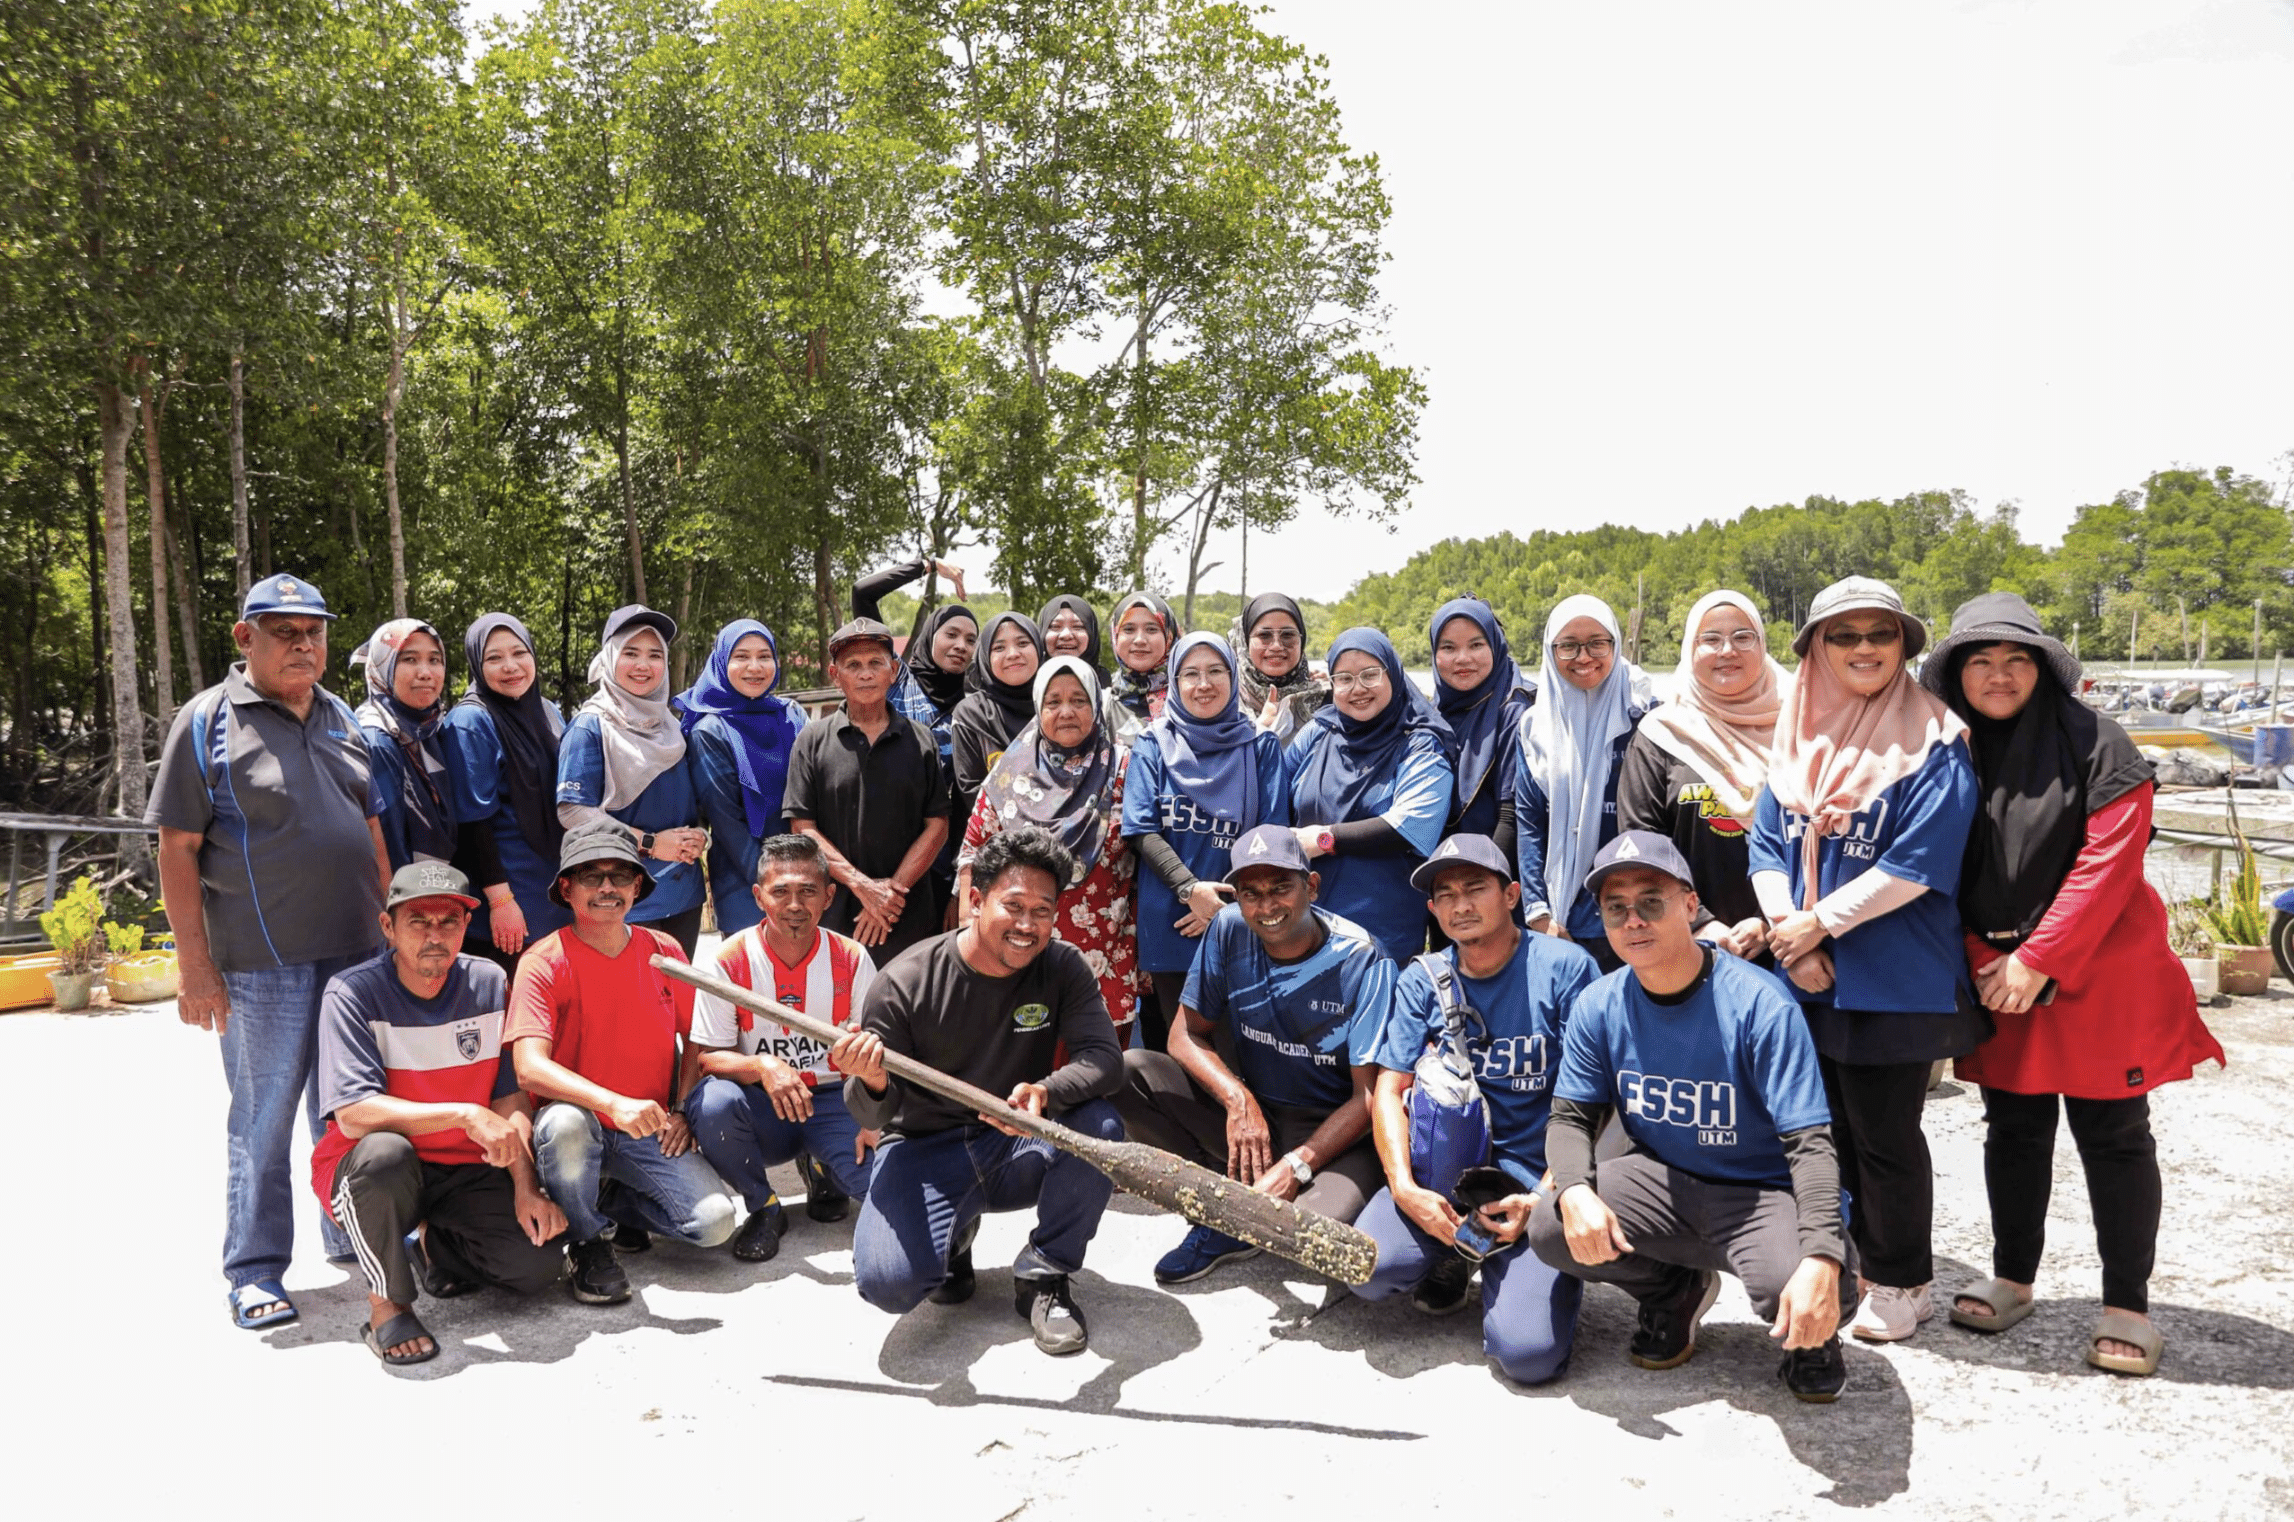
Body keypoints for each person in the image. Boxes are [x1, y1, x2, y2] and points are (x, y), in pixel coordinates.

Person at [1921, 592, 2225, 1376]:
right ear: (1957, 673)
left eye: (2015, 659)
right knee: (2013, 1130)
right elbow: (1926, 864)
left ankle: (2127, 1303)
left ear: (2041, 668)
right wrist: (1982, 957)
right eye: (1979, 661)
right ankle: (2014, 1277)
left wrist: (2038, 958)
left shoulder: (2100, 741)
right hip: (1994, 974)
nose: (1997, 675)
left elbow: (2110, 862)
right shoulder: (1941, 747)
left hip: (2098, 974)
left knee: (2115, 1137)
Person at [1529, 830, 1858, 1402]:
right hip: (1665, 1181)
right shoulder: (1599, 1004)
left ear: (1689, 905)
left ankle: (1812, 1336)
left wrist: (1823, 1256)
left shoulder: (1759, 1004)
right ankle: (1672, 1293)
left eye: (1651, 902)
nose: (1633, 920)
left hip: (1761, 1193)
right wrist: (1575, 1192)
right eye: (1616, 908)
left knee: (1805, 1277)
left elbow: (1811, 1144)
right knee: (1553, 1224)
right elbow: (1569, 1119)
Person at [149, 572, 389, 1330]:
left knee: (345, 1109)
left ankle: (346, 1229)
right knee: (262, 1117)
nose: (302, 644)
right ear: (243, 638)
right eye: (283, 631)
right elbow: (177, 848)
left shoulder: (343, 715)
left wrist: (387, 926)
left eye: (313, 631)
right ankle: (254, 1269)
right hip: (262, 965)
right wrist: (195, 967)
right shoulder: (206, 721)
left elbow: (370, 828)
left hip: (354, 958)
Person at [1748, 576, 1985, 1344]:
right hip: (1808, 971)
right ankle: (1843, 1262)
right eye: (1842, 636)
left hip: (1894, 978)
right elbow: (1764, 845)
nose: (1861, 649)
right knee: (1828, 1132)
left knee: (1886, 1136)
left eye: (1878, 635)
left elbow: (1919, 864)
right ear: (1815, 649)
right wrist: (1789, 932)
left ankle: (1903, 1282)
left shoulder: (1935, 740)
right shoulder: (1796, 738)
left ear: (1903, 649)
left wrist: (1814, 927)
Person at [846, 826, 1127, 1356]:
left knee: (1101, 1128)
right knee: (890, 1284)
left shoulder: (1062, 967)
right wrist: (872, 1079)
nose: (1027, 925)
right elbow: (869, 1110)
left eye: (1042, 911)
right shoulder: (903, 982)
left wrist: (1045, 1090)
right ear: (975, 900)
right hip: (926, 1147)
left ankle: (1046, 1274)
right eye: (1013, 905)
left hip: (1018, 1145)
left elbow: (1104, 1060)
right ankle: (952, 1242)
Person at [1352, 834, 1596, 1382]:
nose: (1461, 905)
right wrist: (1404, 1189)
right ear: (1432, 909)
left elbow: (1594, 1100)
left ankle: (1528, 1269)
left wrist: (1545, 1198)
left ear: (1511, 895)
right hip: (1446, 1176)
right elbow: (1390, 1089)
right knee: (1368, 1268)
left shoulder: (1566, 969)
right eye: (1446, 894)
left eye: (1476, 888)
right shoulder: (1424, 977)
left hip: (1534, 1183)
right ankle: (1453, 1258)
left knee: (1527, 1358)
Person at [312, 862, 567, 1366]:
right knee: (385, 1154)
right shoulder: (351, 992)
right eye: (418, 921)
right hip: (372, 1172)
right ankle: (387, 1306)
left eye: (448, 921)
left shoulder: (490, 981)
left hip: (463, 1168)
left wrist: (524, 1186)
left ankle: (434, 1247)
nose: (435, 935)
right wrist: (463, 1116)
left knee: (536, 1268)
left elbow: (509, 1099)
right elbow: (355, 1115)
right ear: (388, 927)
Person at [1119, 824, 1391, 1283]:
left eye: (1281, 888)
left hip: (1328, 1126)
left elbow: (1368, 1097)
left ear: (1312, 886)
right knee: (1129, 1072)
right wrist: (1237, 1100)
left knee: (1317, 1235)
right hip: (1256, 1110)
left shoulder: (1362, 958)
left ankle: (1250, 1208)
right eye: (1251, 893)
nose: (1266, 907)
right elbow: (1184, 1034)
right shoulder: (1228, 928)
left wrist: (1298, 1164)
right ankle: (1222, 1209)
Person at [508, 821, 738, 1305]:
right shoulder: (543, 960)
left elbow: (697, 1038)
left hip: (648, 1125)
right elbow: (528, 1066)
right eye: (591, 876)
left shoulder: (665, 952)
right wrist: (613, 1103)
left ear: (638, 887)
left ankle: (606, 1205)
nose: (607, 888)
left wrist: (681, 1108)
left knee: (714, 1223)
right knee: (568, 1124)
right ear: (566, 888)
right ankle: (587, 1242)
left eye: (621, 876)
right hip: (575, 1123)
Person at [686, 833, 881, 1262]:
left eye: (808, 891)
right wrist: (761, 1065)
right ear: (758, 897)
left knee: (883, 1189)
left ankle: (821, 1163)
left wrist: (875, 1117)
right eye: (781, 892)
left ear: (829, 897)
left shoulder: (852, 957)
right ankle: (764, 1206)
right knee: (713, 1103)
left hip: (834, 1100)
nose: (795, 904)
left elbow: (874, 1054)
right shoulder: (730, 958)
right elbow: (708, 1059)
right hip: (765, 1105)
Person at [1121, 633, 1291, 1049]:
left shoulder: (1260, 745)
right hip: (1172, 923)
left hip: (1244, 921)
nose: (1203, 684)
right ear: (1174, 683)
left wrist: (1226, 905)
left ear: (1233, 677)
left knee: (1240, 1054)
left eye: (1216, 671)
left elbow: (1270, 835)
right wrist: (1191, 890)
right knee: (1173, 1058)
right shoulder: (1152, 744)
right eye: (1190, 673)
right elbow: (1141, 829)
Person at [956, 656, 1142, 1036]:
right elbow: (973, 852)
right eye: (1053, 702)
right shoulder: (1009, 772)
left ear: (1096, 705)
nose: (1066, 712)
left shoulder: (1125, 767)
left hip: (1107, 951)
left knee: (1097, 1074)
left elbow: (1149, 847)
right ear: (1038, 708)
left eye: (1079, 700)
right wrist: (967, 931)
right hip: (1018, 950)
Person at [1619, 590, 1787, 960]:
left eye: (1743, 637)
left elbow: (1819, 835)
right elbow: (1642, 839)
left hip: (1789, 943)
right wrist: (1700, 922)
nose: (1727, 651)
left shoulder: (1801, 725)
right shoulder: (1661, 733)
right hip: (1685, 941)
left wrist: (1770, 920)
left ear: (1762, 644)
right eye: (1710, 639)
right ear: (1690, 649)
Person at [783, 618, 952, 960]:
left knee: (909, 1008)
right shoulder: (812, 740)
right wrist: (863, 886)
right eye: (853, 665)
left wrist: (890, 894)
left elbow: (938, 825)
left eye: (876, 663)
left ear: (893, 670)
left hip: (909, 912)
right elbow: (803, 827)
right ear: (835, 675)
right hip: (836, 911)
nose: (865, 674)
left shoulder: (921, 740)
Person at [1286, 627, 1457, 965]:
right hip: (1305, 922)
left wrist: (1323, 839)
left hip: (1380, 932)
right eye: (1344, 678)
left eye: (1369, 675)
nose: (1357, 689)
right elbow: (1273, 795)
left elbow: (1409, 828)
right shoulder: (1319, 733)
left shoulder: (1420, 743)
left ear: (1392, 674)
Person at [556, 605, 709, 958]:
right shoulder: (589, 727)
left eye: (655, 655)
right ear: (609, 658)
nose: (644, 665)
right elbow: (575, 814)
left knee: (677, 1004)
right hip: (625, 897)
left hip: (683, 893)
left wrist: (698, 834)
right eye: (631, 653)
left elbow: (690, 801)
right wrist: (652, 843)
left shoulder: (671, 726)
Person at [1514, 595, 1650, 972]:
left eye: (1597, 643)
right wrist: (1539, 914)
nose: (1584, 656)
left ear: (1616, 645)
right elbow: (1530, 826)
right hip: (1562, 922)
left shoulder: (1645, 717)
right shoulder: (1533, 729)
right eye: (1568, 646)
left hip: (1638, 919)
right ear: (1550, 650)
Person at [441, 614, 568, 978]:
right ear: (477, 666)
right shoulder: (470, 721)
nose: (510, 667)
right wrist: (501, 901)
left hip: (550, 890)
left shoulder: (545, 712)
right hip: (508, 902)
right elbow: (473, 820)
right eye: (494, 658)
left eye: (519, 653)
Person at [678, 619, 808, 935]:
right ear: (723, 662)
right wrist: (774, 887)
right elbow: (727, 823)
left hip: (804, 876)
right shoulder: (710, 730)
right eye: (741, 656)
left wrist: (803, 881)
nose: (755, 667)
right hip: (745, 882)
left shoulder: (792, 714)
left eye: (764, 656)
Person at [1428, 597, 1537, 858]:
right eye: (1448, 648)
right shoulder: (1434, 710)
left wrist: (1483, 879)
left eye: (1476, 645)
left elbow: (1512, 817)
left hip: (1498, 869)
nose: (1463, 659)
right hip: (1443, 867)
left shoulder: (1516, 710)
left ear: (1495, 645)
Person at [353, 618, 457, 870]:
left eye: (434, 660)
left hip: (438, 887)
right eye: (409, 659)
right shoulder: (378, 740)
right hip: (410, 896)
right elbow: (388, 845)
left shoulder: (427, 729)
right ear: (382, 667)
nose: (425, 673)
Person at [948, 611, 1045, 836]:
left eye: (1022, 643)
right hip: (992, 844)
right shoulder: (971, 714)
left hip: (1059, 841)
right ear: (985, 657)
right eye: (999, 648)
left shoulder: (1055, 703)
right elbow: (971, 790)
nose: (1012, 654)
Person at [1231, 593, 1330, 740]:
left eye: (1288, 635)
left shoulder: (1329, 698)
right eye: (1264, 636)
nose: (1276, 646)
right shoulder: (1225, 699)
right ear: (1245, 641)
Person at [1106, 591, 1179, 742]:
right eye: (1129, 629)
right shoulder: (1102, 702)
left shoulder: (1190, 695)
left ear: (1169, 637)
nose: (1139, 640)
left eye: (1151, 629)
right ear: (1115, 636)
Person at [1037, 593, 1106, 677]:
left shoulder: (1113, 686)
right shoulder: (1026, 684)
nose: (1066, 635)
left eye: (1078, 626)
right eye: (1055, 626)